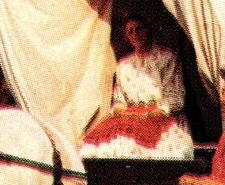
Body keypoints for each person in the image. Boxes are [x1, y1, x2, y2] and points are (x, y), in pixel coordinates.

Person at [82, 15, 193, 159]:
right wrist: (121, 111)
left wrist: (156, 111)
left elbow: (175, 98)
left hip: (161, 115)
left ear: (148, 30)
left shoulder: (167, 57)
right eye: (130, 31)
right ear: (127, 37)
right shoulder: (124, 64)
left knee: (143, 149)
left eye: (139, 29)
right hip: (131, 116)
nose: (136, 34)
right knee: (103, 144)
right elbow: (119, 99)